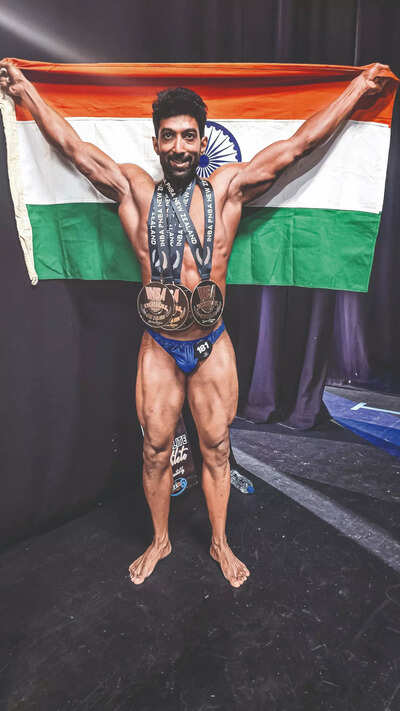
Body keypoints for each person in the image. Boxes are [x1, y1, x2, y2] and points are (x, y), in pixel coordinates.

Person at [0, 60, 390, 587]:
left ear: (203, 141)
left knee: (217, 449)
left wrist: (357, 89)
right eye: (169, 136)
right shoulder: (135, 190)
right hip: (159, 346)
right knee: (154, 450)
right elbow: (73, 148)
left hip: (211, 344)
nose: (179, 146)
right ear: (156, 143)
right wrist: (25, 90)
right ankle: (160, 540)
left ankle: (220, 542)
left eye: (188, 136)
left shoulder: (228, 190)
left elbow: (299, 146)